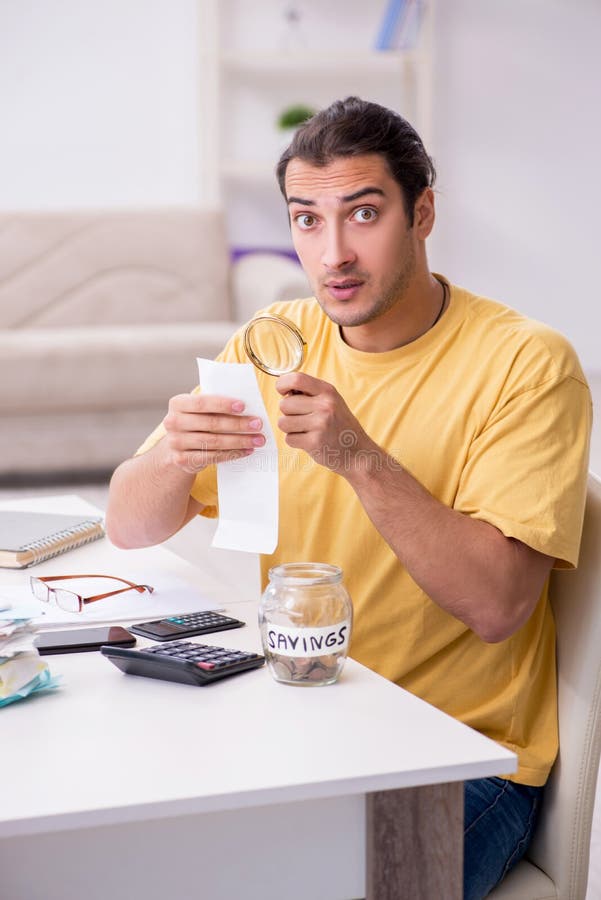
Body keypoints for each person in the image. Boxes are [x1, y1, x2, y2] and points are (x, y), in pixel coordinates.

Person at [106, 96, 592, 898]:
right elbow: (128, 525)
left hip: (456, 759)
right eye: (307, 220)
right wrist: (172, 457)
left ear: (421, 213)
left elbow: (497, 604)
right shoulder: (274, 339)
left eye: (363, 213)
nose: (333, 253)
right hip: (297, 720)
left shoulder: (526, 364)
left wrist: (356, 457)